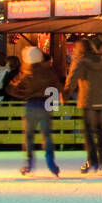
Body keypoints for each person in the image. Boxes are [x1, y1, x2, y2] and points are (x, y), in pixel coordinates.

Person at [10, 46, 62, 177]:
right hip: (45, 105)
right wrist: (57, 101)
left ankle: (29, 162)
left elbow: (13, 88)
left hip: (31, 105)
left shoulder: (26, 72)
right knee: (47, 135)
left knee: (29, 136)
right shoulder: (48, 71)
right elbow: (56, 86)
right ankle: (50, 160)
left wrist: (22, 94)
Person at [64, 39, 102, 174]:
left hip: (88, 101)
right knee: (100, 131)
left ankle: (92, 160)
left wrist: (66, 93)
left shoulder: (81, 61)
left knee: (89, 132)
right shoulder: (100, 62)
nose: (73, 51)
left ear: (80, 49)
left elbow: (72, 77)